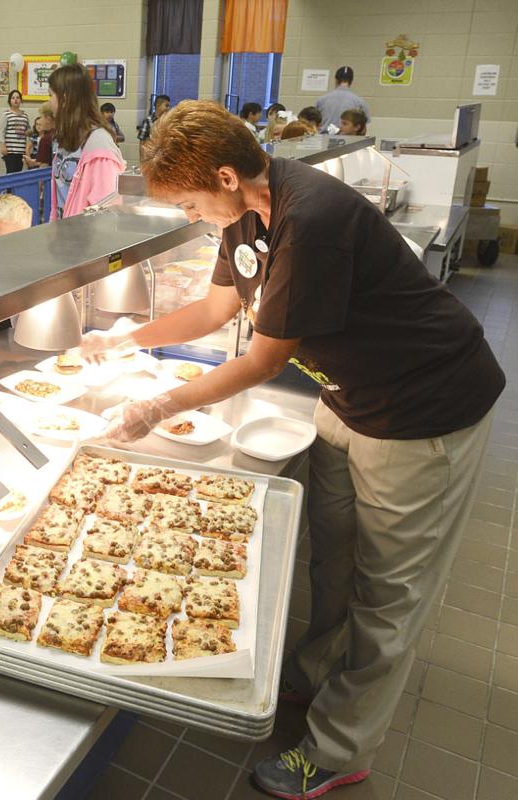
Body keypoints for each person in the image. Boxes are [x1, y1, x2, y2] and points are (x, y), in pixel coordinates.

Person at [83, 100, 503, 800]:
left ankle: (340, 750)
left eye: (190, 202)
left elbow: (258, 359)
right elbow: (217, 311)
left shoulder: (312, 219)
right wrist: (122, 339)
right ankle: (317, 681)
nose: (190, 216)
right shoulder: (245, 210)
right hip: (346, 398)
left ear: (224, 176)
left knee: (387, 592)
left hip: (423, 408)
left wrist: (159, 405)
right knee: (332, 555)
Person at [48, 63, 126, 219]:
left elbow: (106, 210)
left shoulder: (99, 144)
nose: (48, 102)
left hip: (83, 238)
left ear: (64, 99)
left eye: (50, 95)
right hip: (64, 235)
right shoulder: (68, 137)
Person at [317, 66, 370, 133]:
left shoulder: (322, 100)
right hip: (347, 141)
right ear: (351, 81)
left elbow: (316, 124)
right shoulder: (360, 102)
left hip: (323, 139)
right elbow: (364, 128)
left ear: (336, 80)